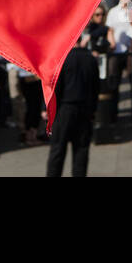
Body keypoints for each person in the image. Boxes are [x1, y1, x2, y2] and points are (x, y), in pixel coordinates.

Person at [46, 31, 100, 177]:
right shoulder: (91, 59)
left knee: (58, 149)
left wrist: (49, 109)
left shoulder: (63, 59)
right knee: (81, 150)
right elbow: (96, 88)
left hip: (65, 109)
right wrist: (93, 110)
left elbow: (56, 88)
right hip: (85, 109)